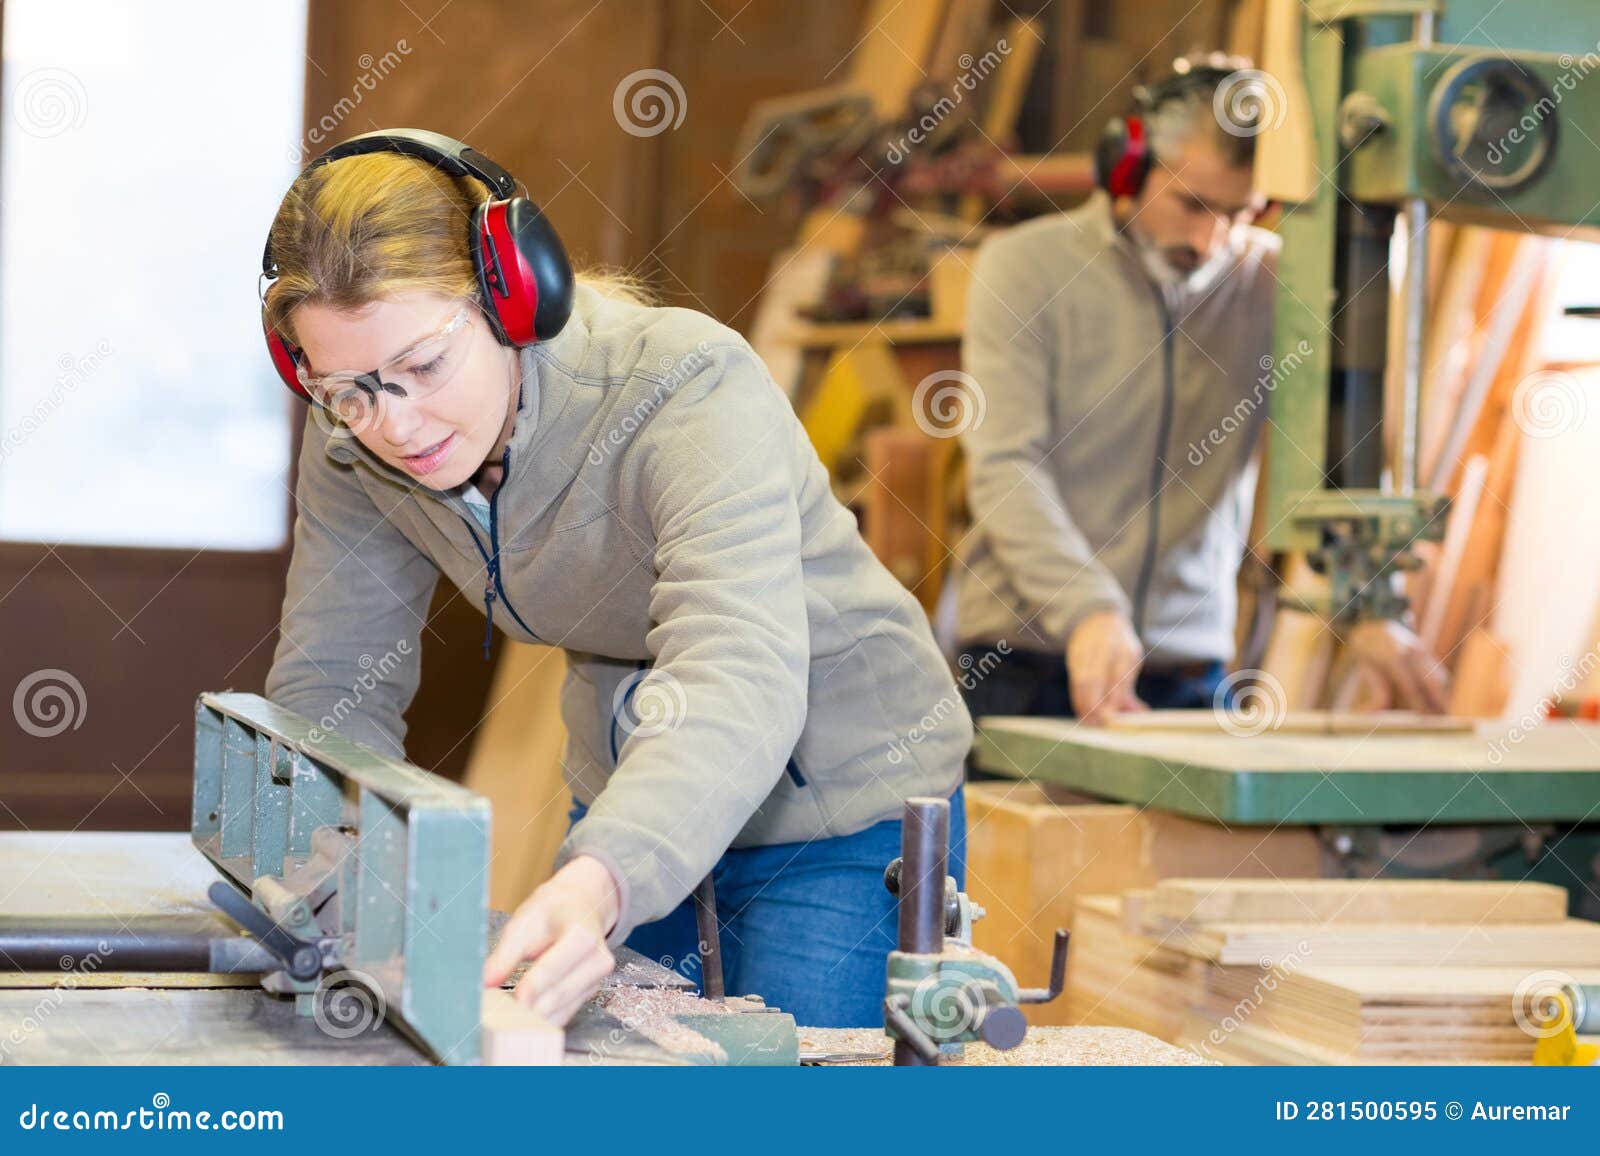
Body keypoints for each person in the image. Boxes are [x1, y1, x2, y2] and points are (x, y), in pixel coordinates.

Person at [259, 130, 971, 1028]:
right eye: (346, 389)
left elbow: (737, 667)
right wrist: (322, 866)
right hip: (636, 785)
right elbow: (333, 678)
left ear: (512, 296)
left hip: (838, 804)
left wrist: (601, 878)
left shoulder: (684, 386)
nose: (394, 425)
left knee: (795, 1084)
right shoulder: (354, 442)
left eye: (423, 366)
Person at [953, 56, 1448, 727]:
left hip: (1187, 670)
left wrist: (1366, 603)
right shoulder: (1026, 268)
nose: (1209, 239)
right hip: (1025, 662)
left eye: (1239, 213)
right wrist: (1087, 608)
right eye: (1191, 203)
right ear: (1128, 167)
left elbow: (1328, 459)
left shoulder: (1272, 286)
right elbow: (1005, 466)